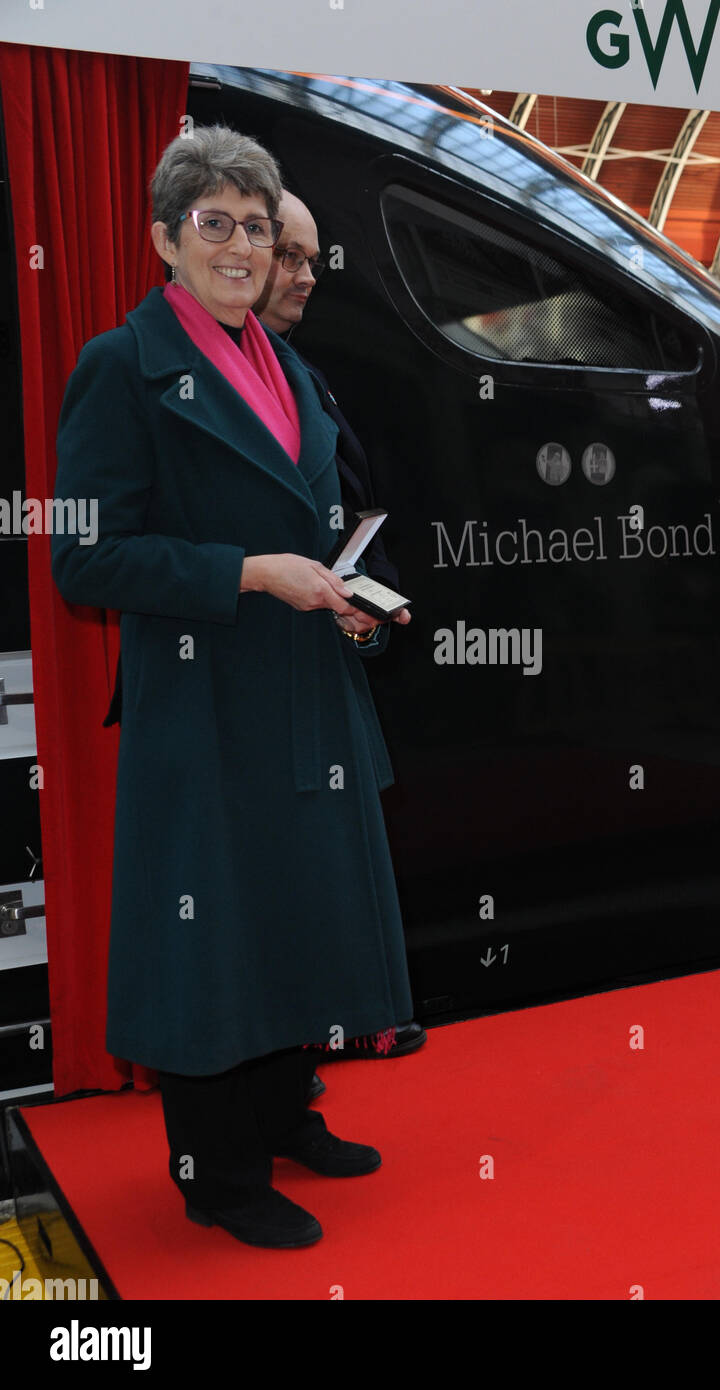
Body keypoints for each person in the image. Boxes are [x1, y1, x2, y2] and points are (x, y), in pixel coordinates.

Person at [51, 126, 414, 1250]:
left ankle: (284, 1114)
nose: (243, 245)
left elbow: (308, 510)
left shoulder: (280, 359)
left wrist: (347, 585)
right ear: (166, 238)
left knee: (298, 913)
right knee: (211, 933)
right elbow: (84, 557)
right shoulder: (124, 363)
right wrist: (249, 574)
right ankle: (217, 1174)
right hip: (205, 699)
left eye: (257, 226)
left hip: (303, 685)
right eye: (215, 223)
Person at [253, 190, 427, 1102]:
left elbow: (355, 513)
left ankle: (302, 1088)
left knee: (320, 897)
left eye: (311, 257)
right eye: (288, 254)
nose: (307, 275)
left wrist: (365, 601)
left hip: (319, 685)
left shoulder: (302, 376)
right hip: (246, 695)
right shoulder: (182, 376)